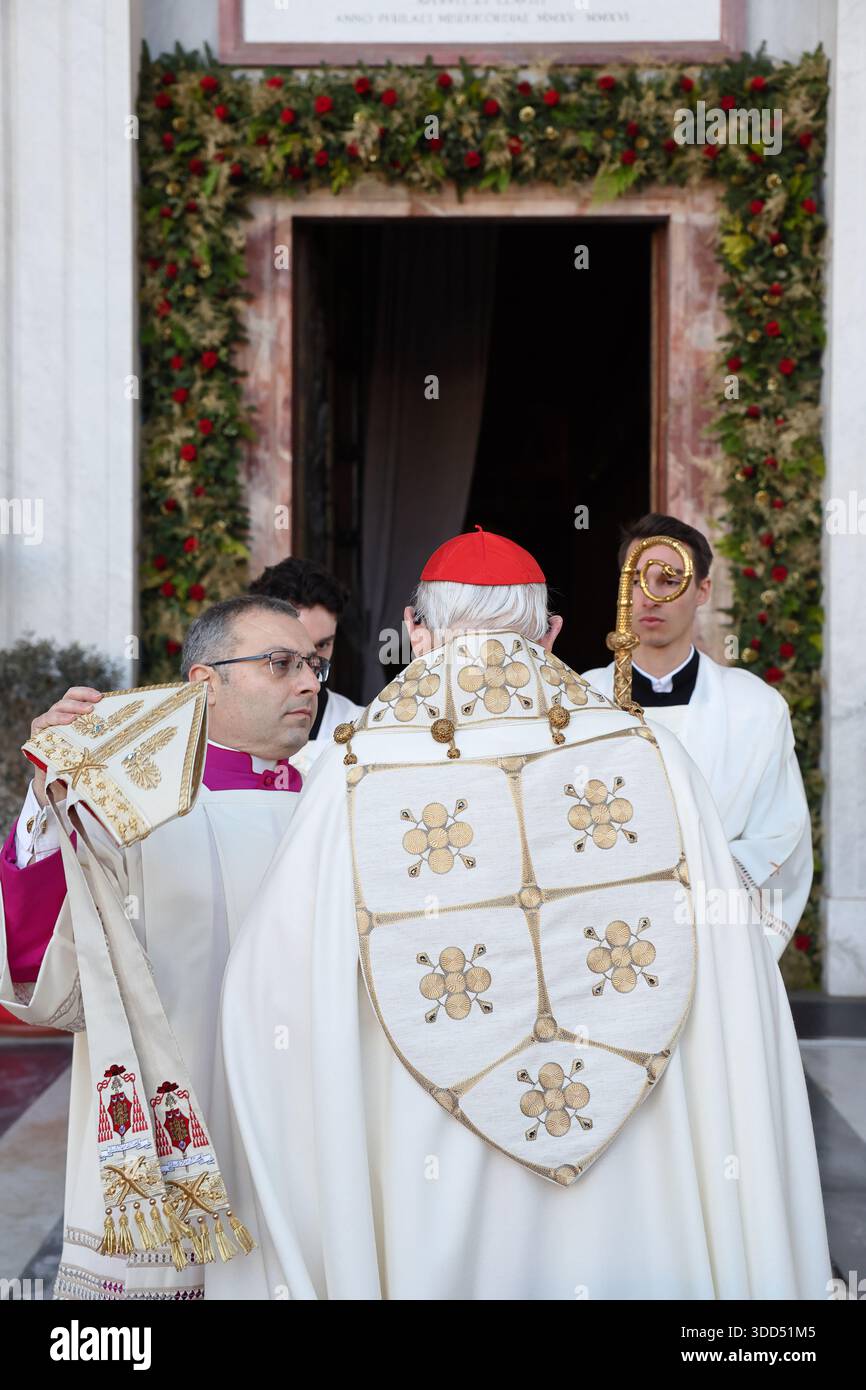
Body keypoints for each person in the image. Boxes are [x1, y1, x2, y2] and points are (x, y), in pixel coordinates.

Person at [213, 526, 831, 1300]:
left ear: (415, 631)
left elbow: (271, 994)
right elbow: (732, 981)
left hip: (425, 1164)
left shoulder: (354, 764)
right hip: (637, 1186)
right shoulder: (652, 756)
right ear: (550, 633)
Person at [0, 594, 322, 1300]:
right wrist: (48, 798)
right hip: (174, 1130)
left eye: (314, 666)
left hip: (305, 1140)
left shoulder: (338, 804)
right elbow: (41, 965)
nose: (309, 684)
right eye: (281, 664)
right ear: (206, 683)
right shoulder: (127, 808)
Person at [581, 513, 813, 958]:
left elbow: (780, 836)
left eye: (669, 581)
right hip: (603, 944)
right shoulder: (580, 702)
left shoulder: (755, 709)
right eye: (637, 580)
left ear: (702, 590)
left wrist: (694, 892)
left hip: (718, 943)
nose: (651, 598)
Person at [249, 557, 364, 776]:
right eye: (293, 648)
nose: (311, 665)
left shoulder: (361, 728)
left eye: (322, 645)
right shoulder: (228, 728)